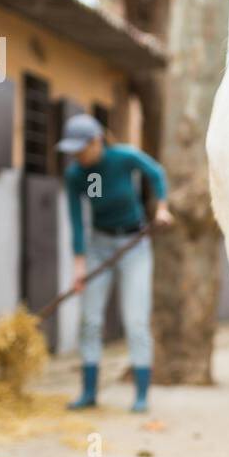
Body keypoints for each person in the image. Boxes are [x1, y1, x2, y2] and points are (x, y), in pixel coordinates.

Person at [56, 113, 173, 413]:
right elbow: (77, 222)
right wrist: (80, 264)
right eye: (73, 151)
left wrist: (161, 207)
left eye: (81, 149)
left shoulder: (123, 158)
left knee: (135, 320)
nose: (77, 156)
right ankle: (89, 392)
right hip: (99, 245)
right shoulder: (75, 175)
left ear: (97, 141)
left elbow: (156, 173)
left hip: (134, 245)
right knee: (90, 320)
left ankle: (141, 395)